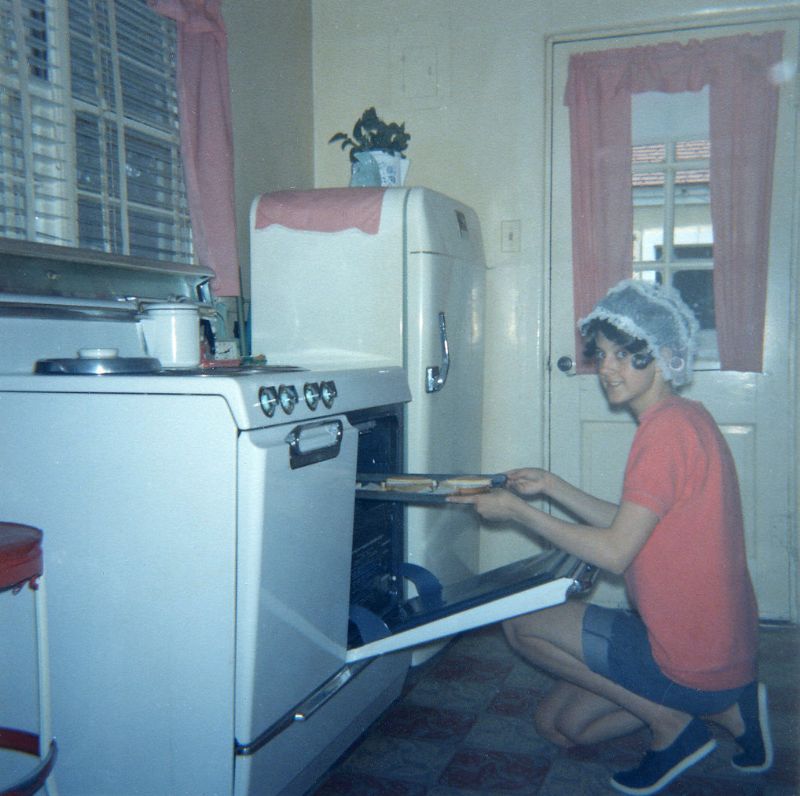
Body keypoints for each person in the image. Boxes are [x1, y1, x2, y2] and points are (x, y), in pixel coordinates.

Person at [448, 279, 772, 796]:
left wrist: (516, 512)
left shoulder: (662, 433)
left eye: (626, 354)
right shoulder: (686, 418)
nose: (609, 369)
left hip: (687, 652)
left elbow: (616, 553)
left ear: (665, 356)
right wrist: (550, 486)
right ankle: (728, 709)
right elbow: (633, 524)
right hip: (722, 649)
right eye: (601, 355)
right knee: (560, 727)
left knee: (521, 621)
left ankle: (675, 729)